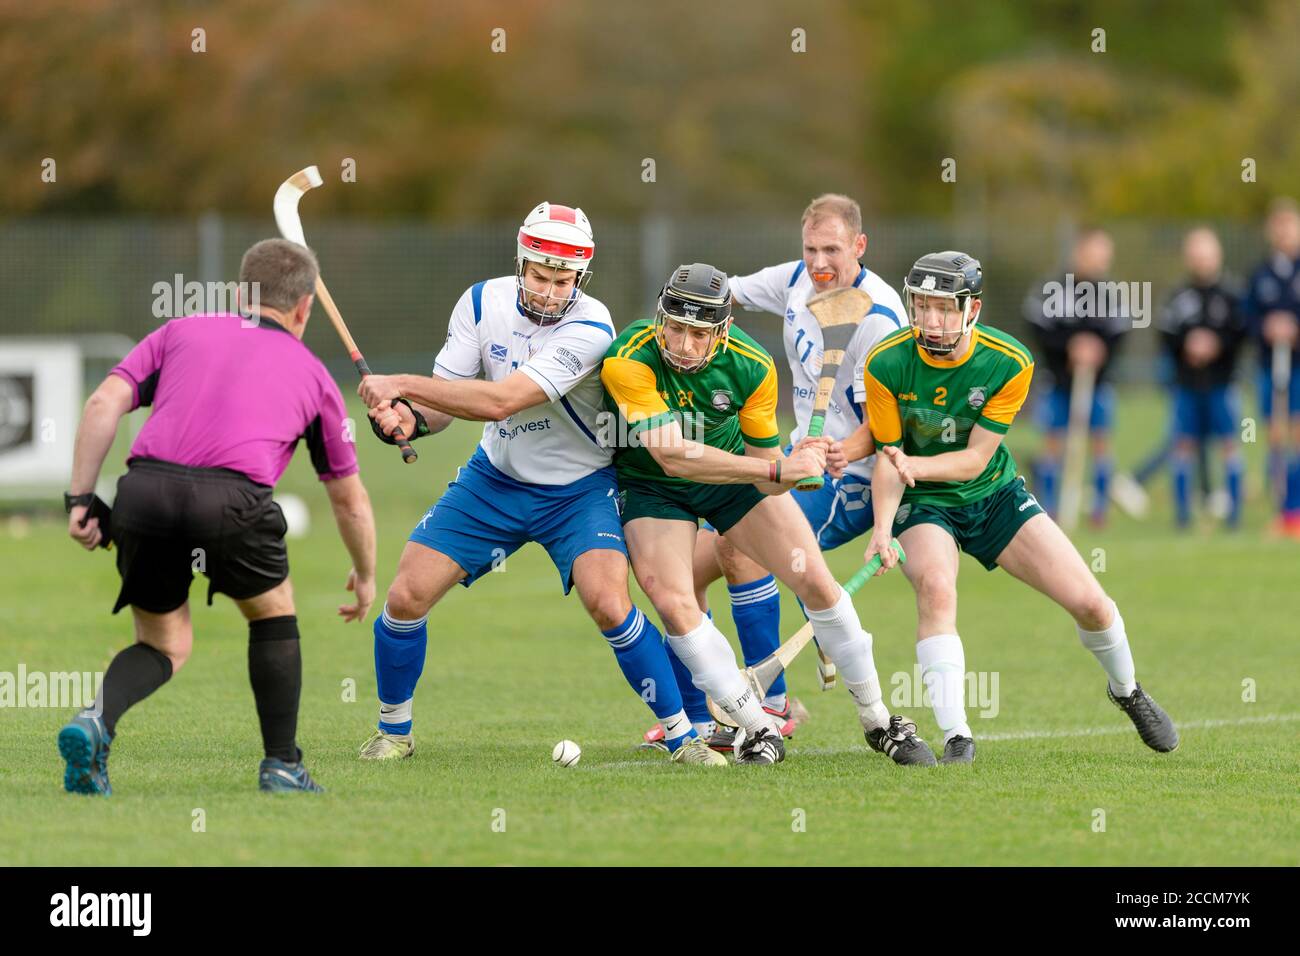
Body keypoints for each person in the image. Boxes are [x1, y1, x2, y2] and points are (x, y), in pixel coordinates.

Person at [360, 202, 725, 766]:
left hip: (580, 488)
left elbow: (503, 399)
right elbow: (444, 405)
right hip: (495, 479)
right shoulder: (480, 302)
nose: (550, 292)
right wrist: (405, 420)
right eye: (540, 276)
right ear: (521, 263)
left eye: (563, 280)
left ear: (580, 277)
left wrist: (401, 383)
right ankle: (393, 732)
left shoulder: (592, 326)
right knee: (405, 596)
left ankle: (684, 737)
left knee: (609, 602)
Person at [61, 238, 375, 795]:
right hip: (233, 503)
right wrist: (366, 573)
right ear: (304, 309)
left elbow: (101, 404)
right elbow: (348, 498)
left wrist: (81, 499)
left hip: (144, 492)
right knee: (273, 614)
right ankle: (281, 765)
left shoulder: (180, 331)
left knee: (163, 645)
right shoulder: (315, 375)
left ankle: (95, 721)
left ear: (238, 294)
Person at [602, 261, 936, 766]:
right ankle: (756, 728)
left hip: (731, 485)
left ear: (723, 330)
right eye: (676, 329)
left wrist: (797, 466)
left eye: (698, 334)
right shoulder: (628, 359)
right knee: (673, 600)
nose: (685, 345)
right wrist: (781, 470)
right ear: (660, 320)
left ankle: (879, 720)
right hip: (654, 487)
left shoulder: (752, 366)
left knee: (820, 585)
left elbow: (762, 470)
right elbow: (671, 454)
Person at [863, 251, 1178, 765]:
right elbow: (888, 459)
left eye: (945, 308)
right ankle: (957, 735)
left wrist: (913, 465)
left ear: (973, 309)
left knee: (1092, 605)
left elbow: (974, 459)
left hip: (993, 493)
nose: (932, 320)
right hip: (923, 504)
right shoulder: (887, 362)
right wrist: (881, 530)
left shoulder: (1009, 362)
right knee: (937, 588)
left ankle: (1127, 690)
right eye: (922, 307)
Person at [1023, 228, 1130, 526]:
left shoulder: (1111, 293)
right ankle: (1047, 509)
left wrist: (1097, 349)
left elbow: (1119, 332)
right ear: (1079, 252)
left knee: (1100, 444)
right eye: (1094, 252)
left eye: (1105, 254)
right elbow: (1037, 325)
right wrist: (1070, 345)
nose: (1100, 260)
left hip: (1097, 383)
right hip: (1058, 380)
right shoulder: (1052, 288)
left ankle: (1099, 510)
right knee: (1053, 445)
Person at [1159, 227, 1247, 528]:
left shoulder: (1233, 295)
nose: (1201, 260)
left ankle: (1234, 517)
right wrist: (1188, 344)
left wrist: (1216, 344)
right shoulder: (1178, 296)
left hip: (1223, 384)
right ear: (1188, 258)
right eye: (1195, 255)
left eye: (1206, 254)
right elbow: (1166, 334)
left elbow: (1241, 332)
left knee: (1230, 445)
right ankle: (1182, 516)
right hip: (1187, 385)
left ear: (1217, 256)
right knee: (1182, 445)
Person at [1243, 198, 1300, 536]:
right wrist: (1267, 327)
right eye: (1277, 225)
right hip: (1270, 366)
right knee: (1274, 435)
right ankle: (1283, 508)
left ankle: (1295, 508)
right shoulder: (1260, 274)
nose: (1283, 232)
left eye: (1289, 224)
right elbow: (1247, 319)